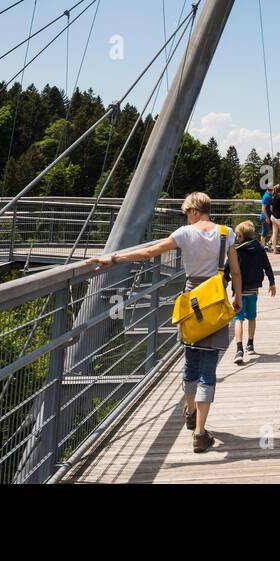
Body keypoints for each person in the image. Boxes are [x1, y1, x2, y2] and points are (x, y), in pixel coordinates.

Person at [89, 191, 242, 454]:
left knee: (190, 360)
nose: (186, 216)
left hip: (191, 300)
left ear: (193, 211)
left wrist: (112, 259)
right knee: (208, 367)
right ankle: (200, 433)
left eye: (186, 212)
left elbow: (149, 252)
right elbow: (236, 271)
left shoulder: (184, 233)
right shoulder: (227, 232)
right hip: (216, 300)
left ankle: (190, 410)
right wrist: (237, 297)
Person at [225, 220, 275, 365]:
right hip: (253, 290)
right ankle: (250, 344)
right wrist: (272, 282)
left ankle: (239, 349)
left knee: (239, 319)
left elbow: (227, 268)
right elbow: (267, 264)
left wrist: (226, 280)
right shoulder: (259, 247)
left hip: (239, 292)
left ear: (239, 235)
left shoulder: (236, 249)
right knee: (252, 317)